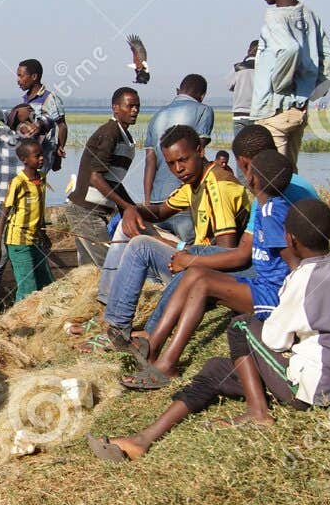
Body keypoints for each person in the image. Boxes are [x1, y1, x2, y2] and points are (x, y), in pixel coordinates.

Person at [89, 191, 330, 461]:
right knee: (214, 370)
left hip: (318, 390)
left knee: (242, 326)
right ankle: (142, 440)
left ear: (290, 240)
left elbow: (275, 341)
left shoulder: (301, 281)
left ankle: (258, 413)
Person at [123, 150, 296, 388]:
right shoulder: (263, 206)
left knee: (203, 283)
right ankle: (154, 346)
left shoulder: (273, 212)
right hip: (260, 286)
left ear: (254, 179)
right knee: (194, 273)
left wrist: (296, 302)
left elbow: (293, 262)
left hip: (273, 295)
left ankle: (168, 363)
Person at [101, 125, 250, 348]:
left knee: (141, 246)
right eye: (171, 164)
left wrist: (188, 259)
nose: (179, 169)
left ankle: (126, 330)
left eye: (183, 160)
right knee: (134, 234)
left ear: (200, 151)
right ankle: (114, 323)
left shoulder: (218, 186)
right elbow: (161, 211)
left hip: (217, 272)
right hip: (197, 259)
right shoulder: (194, 183)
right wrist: (132, 209)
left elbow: (226, 253)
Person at [252, 0, 330, 169]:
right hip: (298, 111)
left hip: (273, 111)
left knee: (270, 179)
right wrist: (312, 92)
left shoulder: (274, 17)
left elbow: (289, 49)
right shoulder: (309, 15)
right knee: (289, 174)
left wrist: (280, 85)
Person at [0, 103, 52, 316]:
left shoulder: (37, 144)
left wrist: (40, 124)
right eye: (25, 117)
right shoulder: (9, 136)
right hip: (9, 210)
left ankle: (36, 314)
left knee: (38, 274)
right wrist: (12, 113)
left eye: (31, 119)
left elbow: (52, 118)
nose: (28, 121)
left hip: (29, 219)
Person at [66, 87, 141, 268]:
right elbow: (95, 178)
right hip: (85, 211)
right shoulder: (110, 133)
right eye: (130, 106)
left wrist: (130, 208)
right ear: (116, 108)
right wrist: (126, 206)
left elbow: (114, 181)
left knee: (89, 270)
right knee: (110, 266)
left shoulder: (124, 136)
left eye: (137, 106)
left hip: (93, 211)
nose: (135, 110)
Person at [141, 74, 214, 245]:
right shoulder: (203, 110)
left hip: (157, 201)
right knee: (190, 254)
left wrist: (147, 201)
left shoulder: (157, 115)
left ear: (177, 91)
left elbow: (149, 161)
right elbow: (199, 152)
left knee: (162, 254)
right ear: (202, 96)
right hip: (183, 199)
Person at [0, 137, 53, 301]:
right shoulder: (17, 182)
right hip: (18, 241)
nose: (42, 158)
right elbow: (4, 212)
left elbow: (39, 209)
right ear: (24, 160)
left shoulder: (42, 178)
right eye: (37, 156)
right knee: (28, 288)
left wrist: (43, 234)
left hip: (35, 239)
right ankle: (20, 321)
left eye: (42, 155)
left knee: (48, 283)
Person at [16, 59, 67, 172]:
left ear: (34, 76)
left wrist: (58, 155)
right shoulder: (25, 99)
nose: (18, 80)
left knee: (36, 184)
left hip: (43, 153)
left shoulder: (50, 98)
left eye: (21, 76)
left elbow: (62, 126)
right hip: (27, 154)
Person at [228, 40, 259, 137]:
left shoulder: (237, 67)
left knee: (240, 149)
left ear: (248, 51)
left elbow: (229, 86)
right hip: (258, 114)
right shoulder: (265, 68)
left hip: (239, 114)